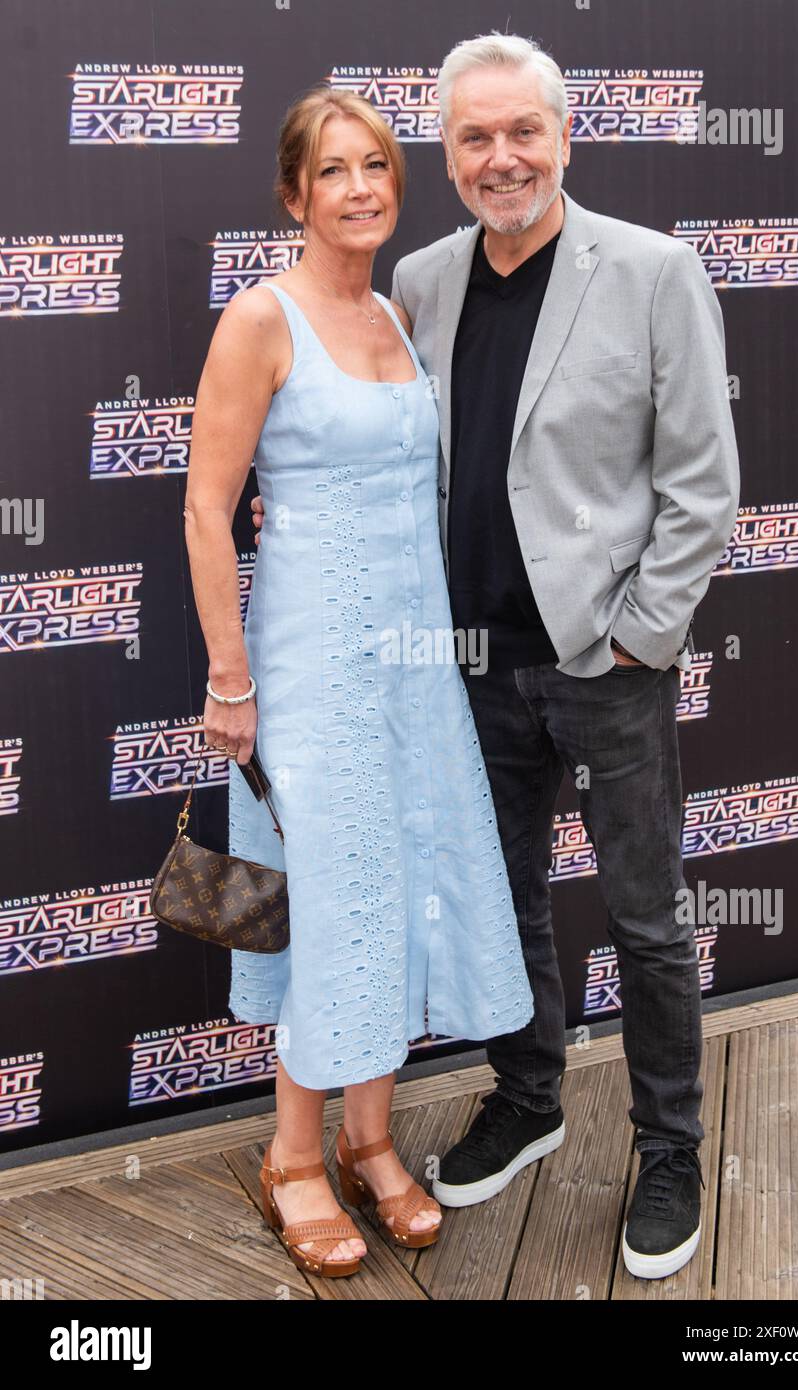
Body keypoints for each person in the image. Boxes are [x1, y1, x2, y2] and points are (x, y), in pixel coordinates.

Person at [251, 32, 740, 1281]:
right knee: (508, 897)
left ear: (564, 135)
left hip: (606, 662)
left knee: (646, 919)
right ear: (451, 157)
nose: (501, 156)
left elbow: (702, 484)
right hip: (461, 667)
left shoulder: (653, 270)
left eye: (523, 131)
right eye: (474, 137)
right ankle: (531, 1095)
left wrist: (640, 633)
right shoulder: (417, 278)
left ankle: (670, 1149)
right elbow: (361, 431)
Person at [183, 83, 535, 1279]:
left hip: (413, 663)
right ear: (294, 194)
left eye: (376, 166)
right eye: (333, 170)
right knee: (324, 900)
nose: (360, 188)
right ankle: (294, 1156)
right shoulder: (260, 319)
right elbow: (203, 505)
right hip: (303, 665)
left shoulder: (396, 315)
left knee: (401, 882)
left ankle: (373, 1137)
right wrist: (231, 680)